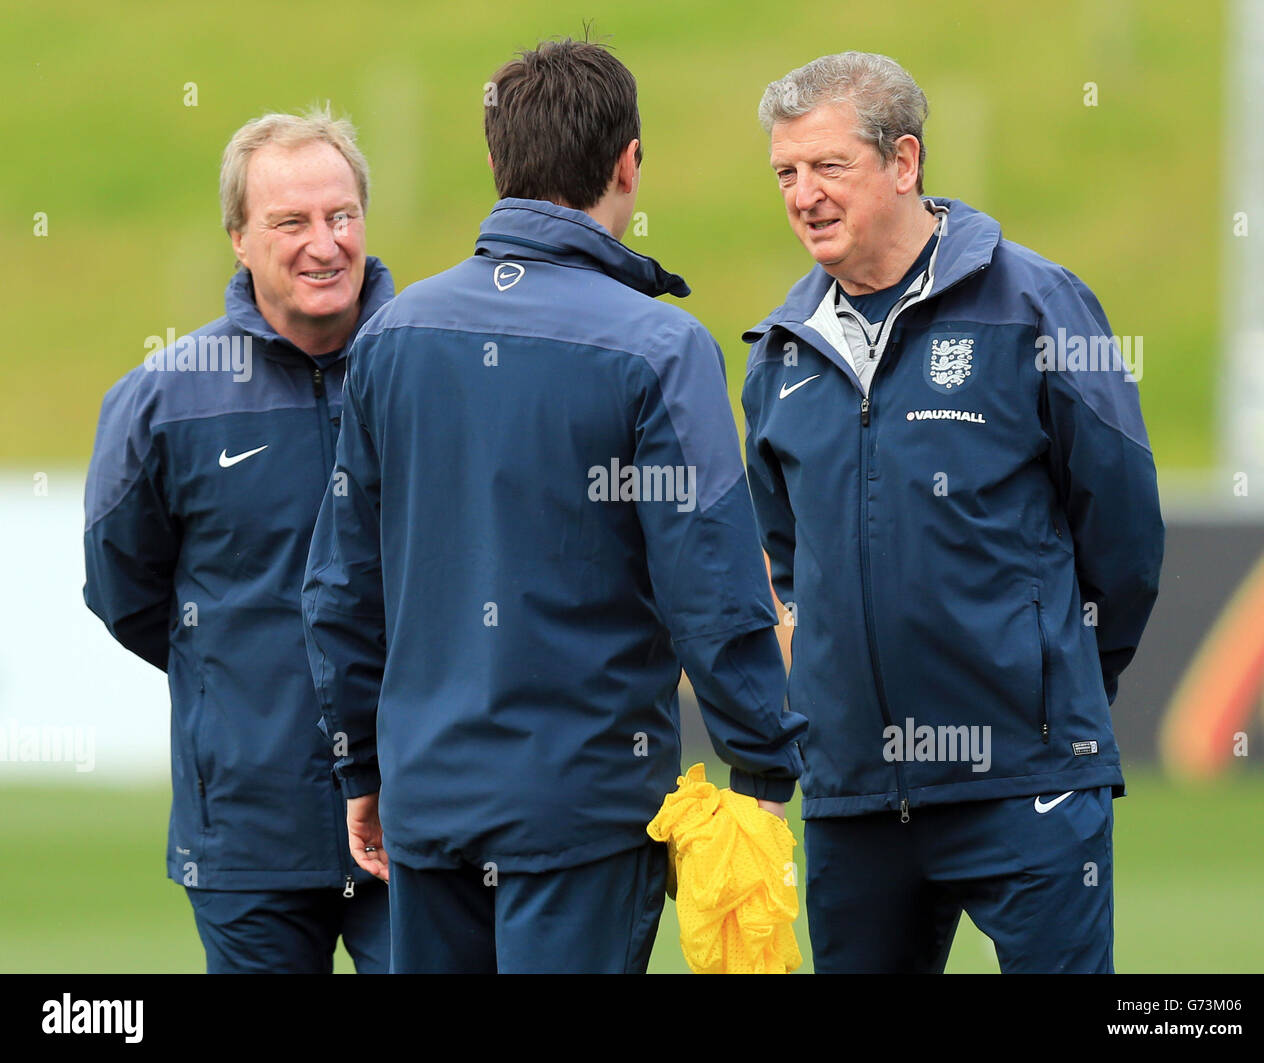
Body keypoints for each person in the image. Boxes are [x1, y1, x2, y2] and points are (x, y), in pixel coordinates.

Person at [301, 37, 808, 974]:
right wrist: (762, 764)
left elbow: (340, 583)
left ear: (496, 162)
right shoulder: (660, 346)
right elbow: (711, 580)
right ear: (628, 163)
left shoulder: (394, 335)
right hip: (586, 810)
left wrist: (361, 768)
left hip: (428, 800)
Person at [741, 52, 1164, 973]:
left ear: (905, 162)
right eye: (786, 172)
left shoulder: (1035, 304)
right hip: (854, 803)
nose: (803, 194)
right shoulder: (778, 353)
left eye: (828, 167)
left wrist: (1060, 688)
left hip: (1029, 786)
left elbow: (1124, 532)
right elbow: (783, 564)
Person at [83, 108, 395, 974]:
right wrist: (239, 680)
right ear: (238, 237)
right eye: (290, 222)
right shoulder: (164, 401)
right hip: (247, 833)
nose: (324, 244)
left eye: (341, 216)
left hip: (422, 817)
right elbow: (124, 593)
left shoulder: (436, 369)